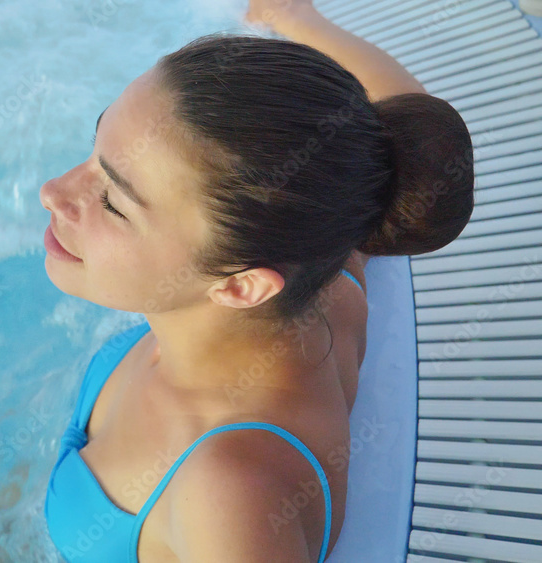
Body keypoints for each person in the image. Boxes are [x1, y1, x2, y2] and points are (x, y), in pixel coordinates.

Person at [41, 0, 474, 562]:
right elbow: (404, 124)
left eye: (114, 203)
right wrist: (296, 17)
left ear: (242, 286)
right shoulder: (318, 258)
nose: (53, 190)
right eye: (98, 151)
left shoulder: (228, 495)